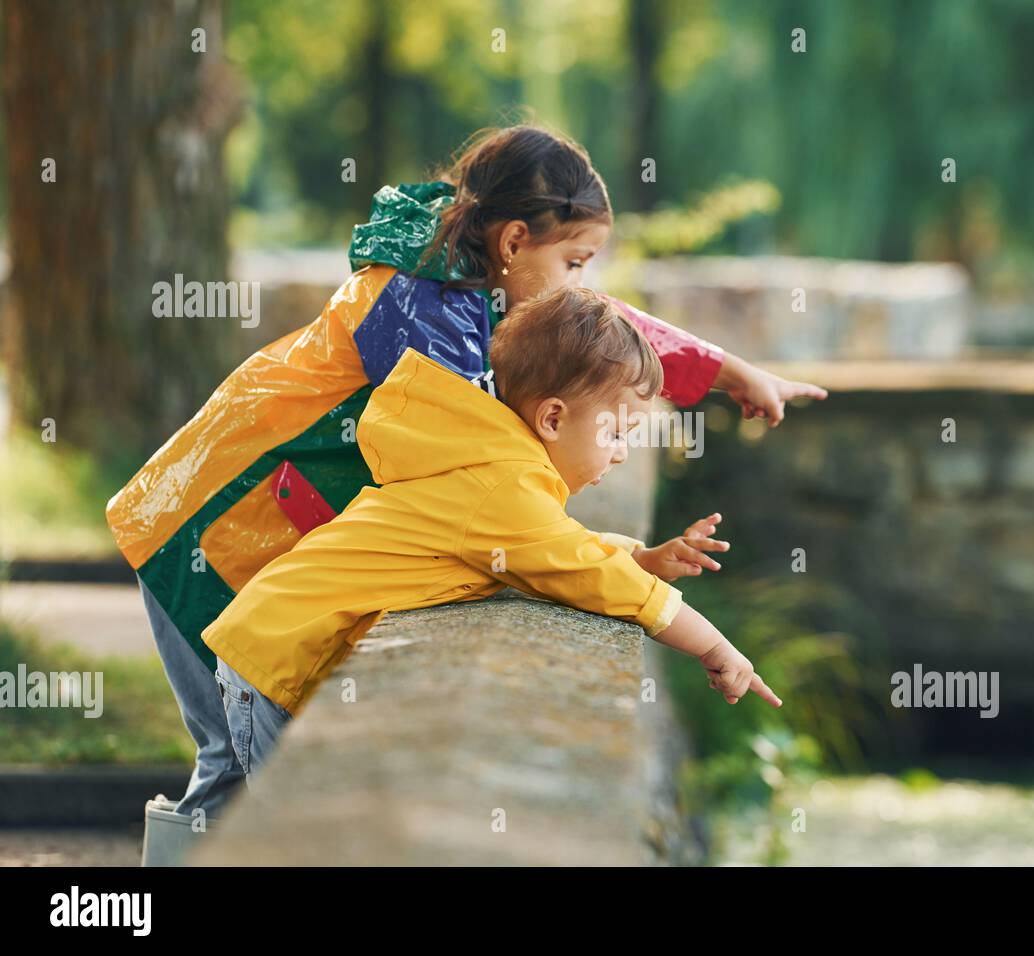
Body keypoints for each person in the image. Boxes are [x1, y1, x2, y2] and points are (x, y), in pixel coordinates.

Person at [106, 123, 824, 821]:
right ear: (515, 241)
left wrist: (730, 372)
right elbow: (531, 465)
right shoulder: (419, 309)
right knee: (230, 771)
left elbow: (588, 334)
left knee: (241, 759)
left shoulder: (475, 283)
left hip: (258, 527)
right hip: (203, 525)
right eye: (575, 261)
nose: (582, 282)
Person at [203, 288, 781, 778]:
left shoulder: (491, 460)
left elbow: (557, 546)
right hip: (275, 659)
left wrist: (642, 555)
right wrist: (713, 645)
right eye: (617, 431)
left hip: (273, 635)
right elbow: (587, 573)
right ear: (552, 418)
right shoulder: (501, 486)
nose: (625, 454)